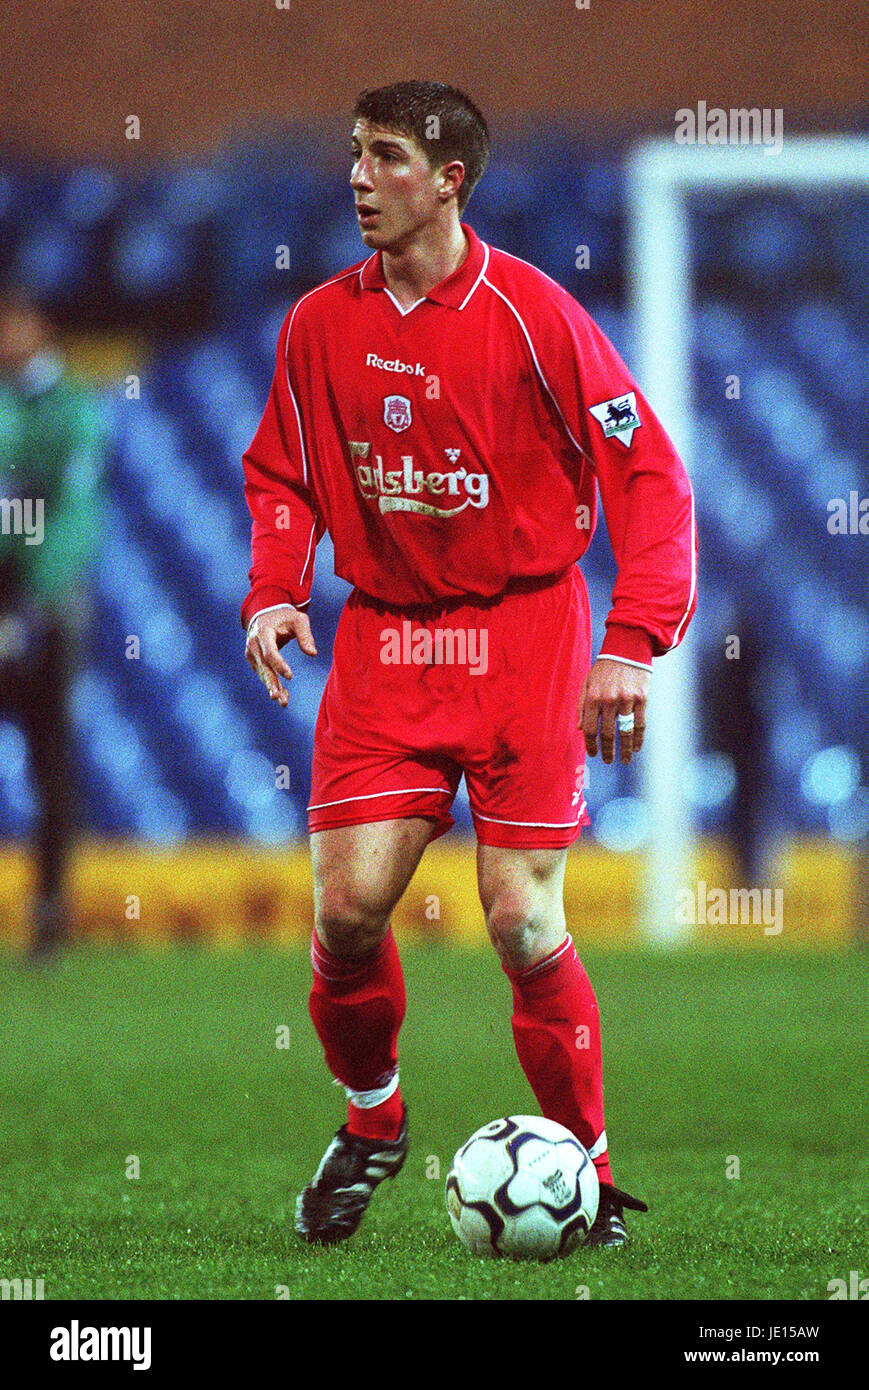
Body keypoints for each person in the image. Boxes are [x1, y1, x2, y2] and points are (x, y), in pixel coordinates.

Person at [241, 82, 697, 1247]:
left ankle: (585, 1174)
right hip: (387, 640)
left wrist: (630, 644)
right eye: (352, 155)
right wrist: (277, 590)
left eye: (385, 157)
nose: (356, 178)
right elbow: (281, 472)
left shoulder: (534, 316)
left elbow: (648, 476)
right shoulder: (314, 326)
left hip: (522, 633)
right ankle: (374, 1118)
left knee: (518, 917)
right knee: (346, 913)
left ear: (449, 179)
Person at [0, 286, 105, 961]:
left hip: (44, 607)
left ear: (41, 327)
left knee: (49, 756)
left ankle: (51, 911)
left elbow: (58, 502)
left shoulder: (73, 408)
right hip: (11, 597)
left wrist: (22, 587)